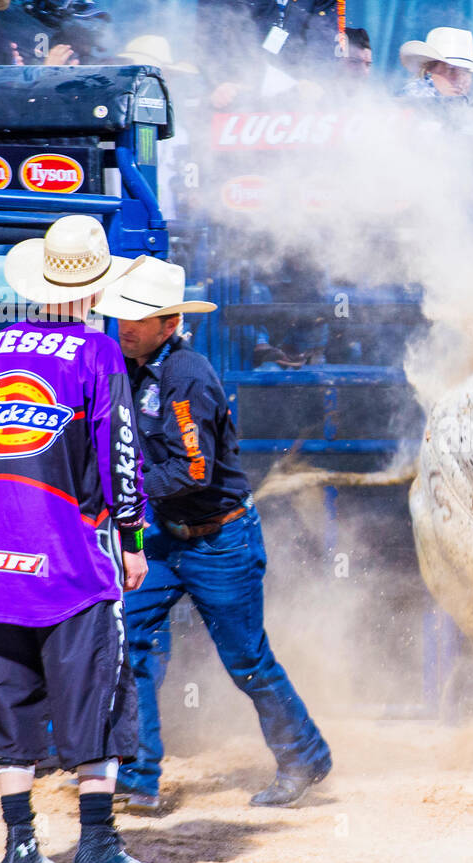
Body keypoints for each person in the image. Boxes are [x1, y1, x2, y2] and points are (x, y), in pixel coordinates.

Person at [0, 215, 169, 863]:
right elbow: (120, 453)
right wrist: (130, 540)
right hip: (71, 558)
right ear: (97, 288)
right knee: (95, 693)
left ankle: (21, 847)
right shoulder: (98, 353)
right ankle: (98, 847)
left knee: (10, 701)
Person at [95, 256, 333, 811]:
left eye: (140, 316)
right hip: (172, 536)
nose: (125, 326)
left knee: (247, 660)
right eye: (122, 315)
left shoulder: (186, 376)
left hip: (217, 539)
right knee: (130, 641)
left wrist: (117, 490)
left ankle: (305, 757)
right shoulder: (130, 368)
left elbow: (191, 471)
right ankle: (138, 774)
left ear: (169, 324)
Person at [398, 26, 473, 101]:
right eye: (451, 70)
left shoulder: (459, 101)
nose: (460, 79)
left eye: (466, 71)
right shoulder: (414, 98)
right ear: (430, 69)